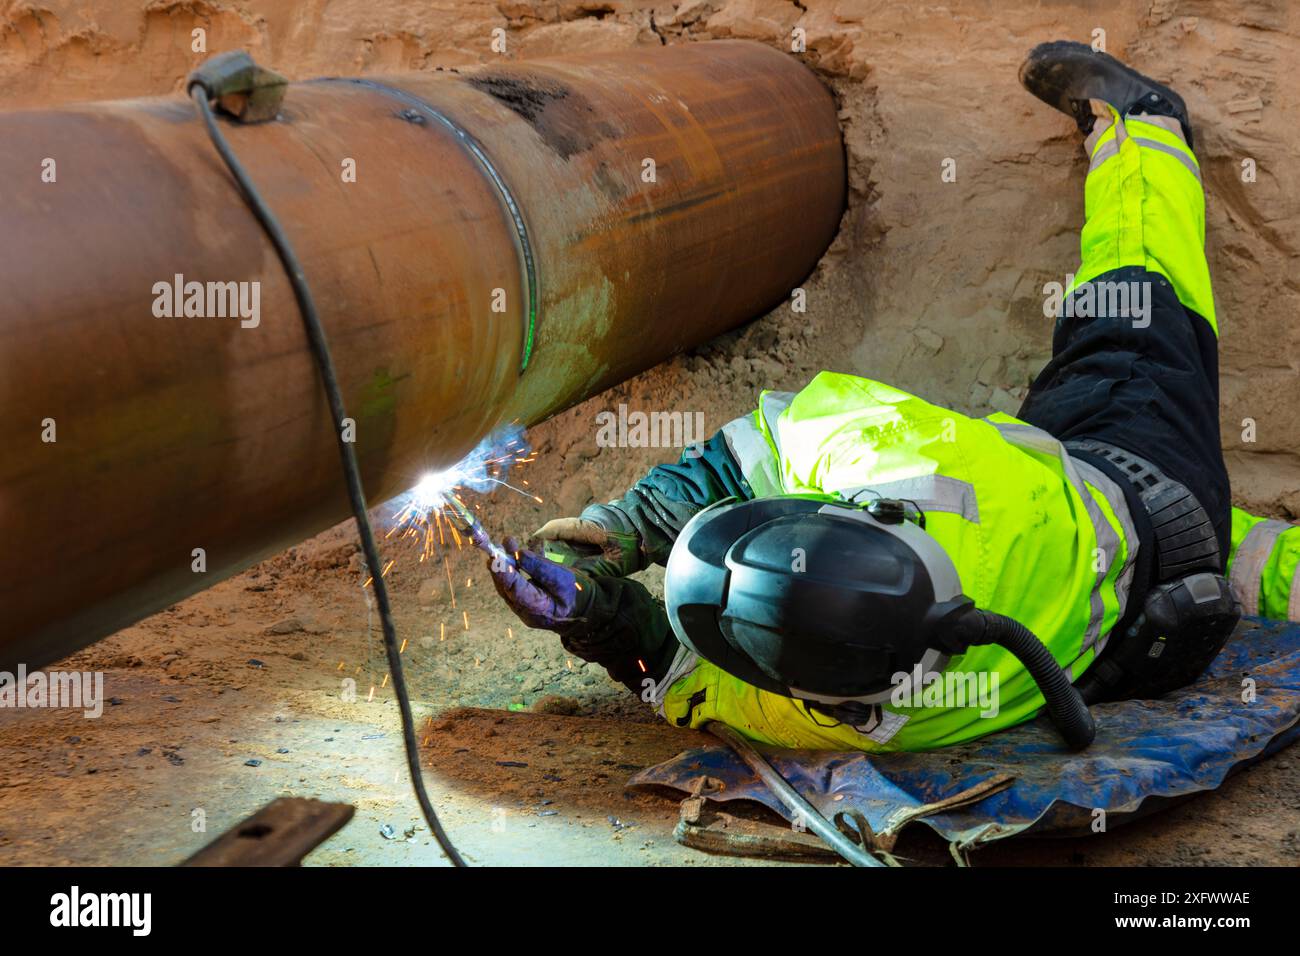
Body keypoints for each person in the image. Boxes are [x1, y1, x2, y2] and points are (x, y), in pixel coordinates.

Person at [487, 41, 1300, 752]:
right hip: (1141, 487)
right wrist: (639, 533)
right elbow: (757, 449)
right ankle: (1145, 128)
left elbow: (679, 680)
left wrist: (604, 616)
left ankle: (1257, 562)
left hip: (1131, 643)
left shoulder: (858, 720)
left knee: (1149, 372)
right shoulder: (902, 459)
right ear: (866, 512)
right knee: (1130, 307)